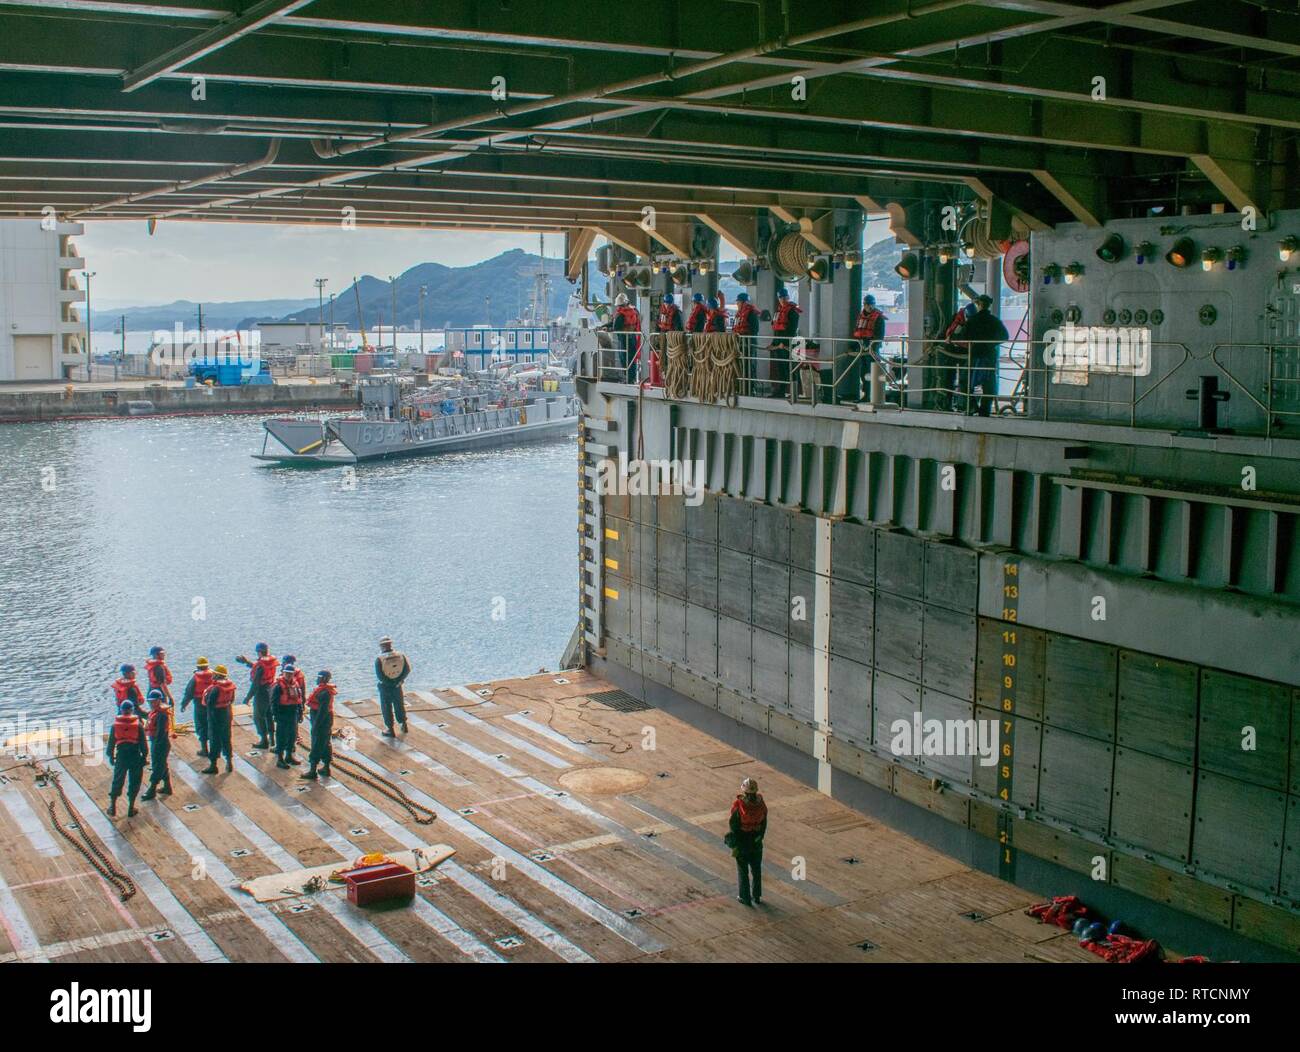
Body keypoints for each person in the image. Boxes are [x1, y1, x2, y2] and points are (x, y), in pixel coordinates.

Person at [960, 295, 1009, 416]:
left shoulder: (972, 320)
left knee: (965, 382)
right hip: (989, 355)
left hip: (975, 354)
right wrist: (991, 343)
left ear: (978, 304)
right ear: (989, 305)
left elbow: (963, 336)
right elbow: (1004, 336)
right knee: (989, 384)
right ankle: (985, 410)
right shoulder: (994, 321)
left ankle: (971, 406)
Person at [727, 777, 768, 906]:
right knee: (756, 870)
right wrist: (759, 837)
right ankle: (757, 896)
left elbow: (733, 825)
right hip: (756, 841)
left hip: (742, 841)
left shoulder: (739, 805)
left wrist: (735, 844)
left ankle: (745, 897)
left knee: (743, 870)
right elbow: (764, 823)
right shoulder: (761, 804)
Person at [106, 700, 148, 818]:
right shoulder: (138, 725)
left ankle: (113, 807)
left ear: (121, 710)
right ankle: (131, 808)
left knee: (117, 780)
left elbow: (111, 744)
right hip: (134, 755)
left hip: (121, 756)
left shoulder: (115, 725)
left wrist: (111, 757)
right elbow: (143, 745)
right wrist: (144, 757)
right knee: (134, 781)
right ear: (132, 710)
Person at [237, 643, 278, 750]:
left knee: (258, 717)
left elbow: (255, 683)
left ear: (259, 652)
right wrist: (247, 662)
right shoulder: (270, 661)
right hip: (270, 690)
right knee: (269, 715)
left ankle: (264, 740)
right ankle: (272, 739)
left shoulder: (261, 665)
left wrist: (248, 697)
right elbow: (259, 667)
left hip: (261, 692)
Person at [846, 293, 886, 404]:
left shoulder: (878, 318)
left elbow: (879, 336)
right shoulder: (861, 317)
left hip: (872, 349)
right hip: (861, 348)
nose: (870, 307)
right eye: (867, 304)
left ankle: (872, 395)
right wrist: (853, 347)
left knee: (871, 372)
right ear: (864, 305)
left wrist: (873, 348)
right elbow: (856, 332)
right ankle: (866, 394)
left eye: (871, 304)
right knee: (864, 373)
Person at [270, 657, 305, 769]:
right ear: (283, 673)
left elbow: (298, 700)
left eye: (291, 674)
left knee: (292, 735)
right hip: (283, 713)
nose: (289, 675)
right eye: (287, 673)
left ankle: (289, 756)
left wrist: (300, 713)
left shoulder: (295, 685)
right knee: (281, 736)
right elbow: (274, 702)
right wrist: (275, 715)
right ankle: (280, 759)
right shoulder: (278, 686)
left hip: (293, 713)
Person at [200, 665, 236, 775]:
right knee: (226, 738)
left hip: (216, 715)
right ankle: (229, 762)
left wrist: (210, 718)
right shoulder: (230, 686)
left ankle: (213, 765)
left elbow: (210, 704)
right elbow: (232, 699)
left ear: (217, 675)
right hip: (227, 713)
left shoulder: (215, 688)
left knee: (214, 739)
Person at [301, 670, 336, 781]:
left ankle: (312, 770)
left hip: (321, 720)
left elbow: (322, 711)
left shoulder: (324, 693)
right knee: (325, 742)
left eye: (318, 677)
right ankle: (326, 768)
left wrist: (316, 725)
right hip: (326, 719)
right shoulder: (325, 691)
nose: (316, 679)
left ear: (323, 679)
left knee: (316, 743)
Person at [140, 689, 172, 801]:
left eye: (153, 701)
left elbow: (160, 733)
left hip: (160, 744)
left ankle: (152, 790)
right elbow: (147, 717)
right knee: (162, 765)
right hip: (156, 742)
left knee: (157, 767)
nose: (151, 703)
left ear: (159, 700)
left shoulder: (161, 715)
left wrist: (157, 746)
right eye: (150, 701)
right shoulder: (154, 712)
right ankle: (168, 787)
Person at [769, 288, 802, 398]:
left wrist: (784, 343)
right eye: (780, 298)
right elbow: (776, 329)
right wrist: (774, 343)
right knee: (781, 368)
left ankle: (795, 392)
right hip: (779, 345)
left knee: (792, 368)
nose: (782, 299)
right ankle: (781, 390)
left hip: (788, 345)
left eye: (784, 297)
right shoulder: (778, 312)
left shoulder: (793, 312)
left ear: (787, 297)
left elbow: (792, 329)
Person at [375, 636, 410, 737]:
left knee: (386, 707)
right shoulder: (401, 655)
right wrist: (399, 681)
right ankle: (404, 724)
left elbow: (380, 675)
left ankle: (390, 729)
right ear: (390, 644)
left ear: (381, 646)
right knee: (399, 704)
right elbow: (407, 669)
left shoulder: (379, 659)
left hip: (385, 686)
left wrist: (389, 683)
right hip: (397, 685)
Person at [181, 656, 215, 757]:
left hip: (200, 705)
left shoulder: (195, 679)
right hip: (212, 705)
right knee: (212, 726)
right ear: (207, 666)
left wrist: (184, 704)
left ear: (198, 667)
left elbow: (189, 693)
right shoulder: (215, 676)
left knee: (201, 726)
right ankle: (214, 749)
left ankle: (204, 750)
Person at [733, 292, 761, 395]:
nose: (737, 304)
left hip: (749, 344)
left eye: (738, 302)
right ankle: (742, 387)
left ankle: (750, 389)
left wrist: (745, 336)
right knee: (741, 365)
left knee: (750, 366)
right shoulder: (739, 314)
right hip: (740, 344)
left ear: (743, 302)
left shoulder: (751, 313)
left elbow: (754, 329)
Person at [610, 293, 642, 383]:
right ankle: (631, 378)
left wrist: (607, 328)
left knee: (624, 358)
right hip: (632, 338)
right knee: (632, 359)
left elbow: (615, 327)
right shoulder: (634, 311)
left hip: (623, 339)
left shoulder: (620, 315)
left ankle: (628, 379)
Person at [145, 646, 173, 711]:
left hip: (151, 691)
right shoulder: (159, 668)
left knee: (155, 711)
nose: (164, 655)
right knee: (163, 711)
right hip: (159, 693)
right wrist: (170, 698)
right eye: (161, 654)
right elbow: (163, 685)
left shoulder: (153, 666)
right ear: (156, 655)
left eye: (163, 653)